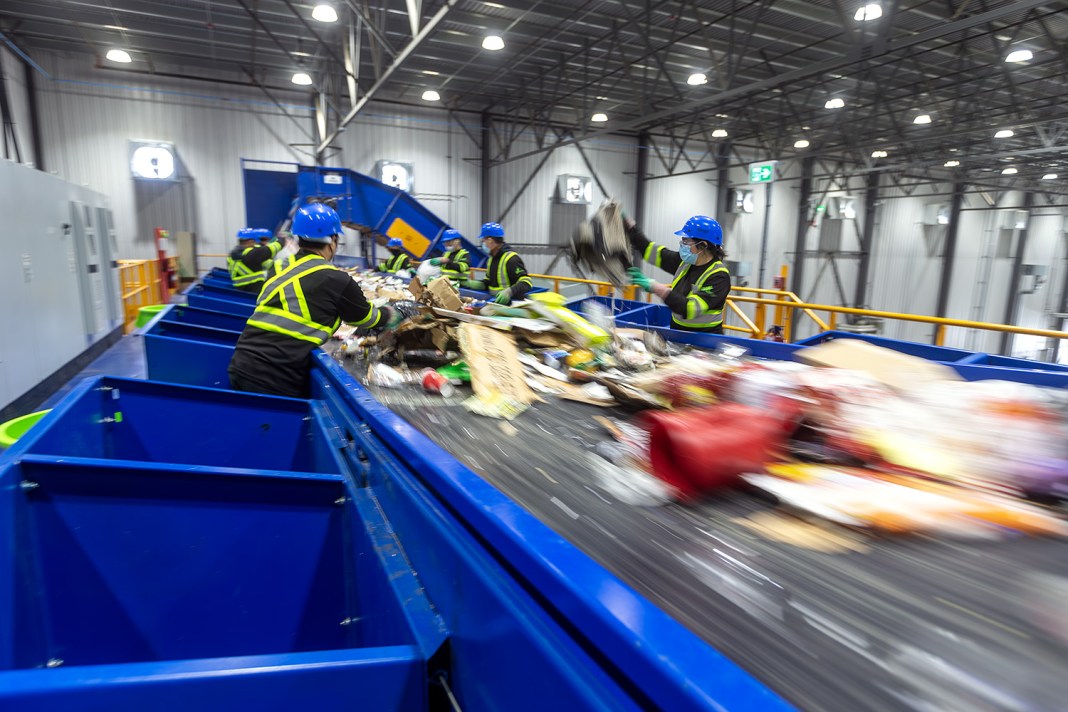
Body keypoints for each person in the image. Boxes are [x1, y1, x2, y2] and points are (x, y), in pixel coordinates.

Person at [228, 203, 400, 399]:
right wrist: (393, 313)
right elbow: (366, 318)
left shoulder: (277, 267)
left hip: (241, 361)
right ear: (333, 240)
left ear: (299, 238)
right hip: (276, 375)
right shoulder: (336, 279)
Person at [625, 215, 731, 334]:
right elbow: (652, 252)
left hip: (705, 339)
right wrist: (632, 228)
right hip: (678, 333)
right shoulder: (685, 262)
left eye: (686, 241)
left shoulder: (719, 276)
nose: (682, 244)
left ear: (703, 245)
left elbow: (689, 309)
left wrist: (656, 288)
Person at [463, 222, 532, 304]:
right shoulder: (491, 260)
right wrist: (472, 284)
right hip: (496, 301)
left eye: (483, 241)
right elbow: (489, 282)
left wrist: (509, 292)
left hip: (512, 303)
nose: (482, 244)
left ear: (490, 240)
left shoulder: (511, 259)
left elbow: (526, 282)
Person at [229, 226, 283, 293]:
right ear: (251, 241)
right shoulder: (252, 254)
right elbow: (269, 251)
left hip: (240, 288)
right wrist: (281, 241)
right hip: (253, 289)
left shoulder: (232, 254)